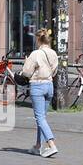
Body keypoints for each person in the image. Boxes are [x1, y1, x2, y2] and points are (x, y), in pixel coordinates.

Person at [20, 26, 60, 158]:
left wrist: (26, 63)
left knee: (40, 118)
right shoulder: (54, 53)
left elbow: (26, 72)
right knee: (42, 118)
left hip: (37, 85)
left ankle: (52, 145)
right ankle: (37, 146)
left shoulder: (35, 54)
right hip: (49, 85)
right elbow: (54, 71)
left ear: (38, 39)